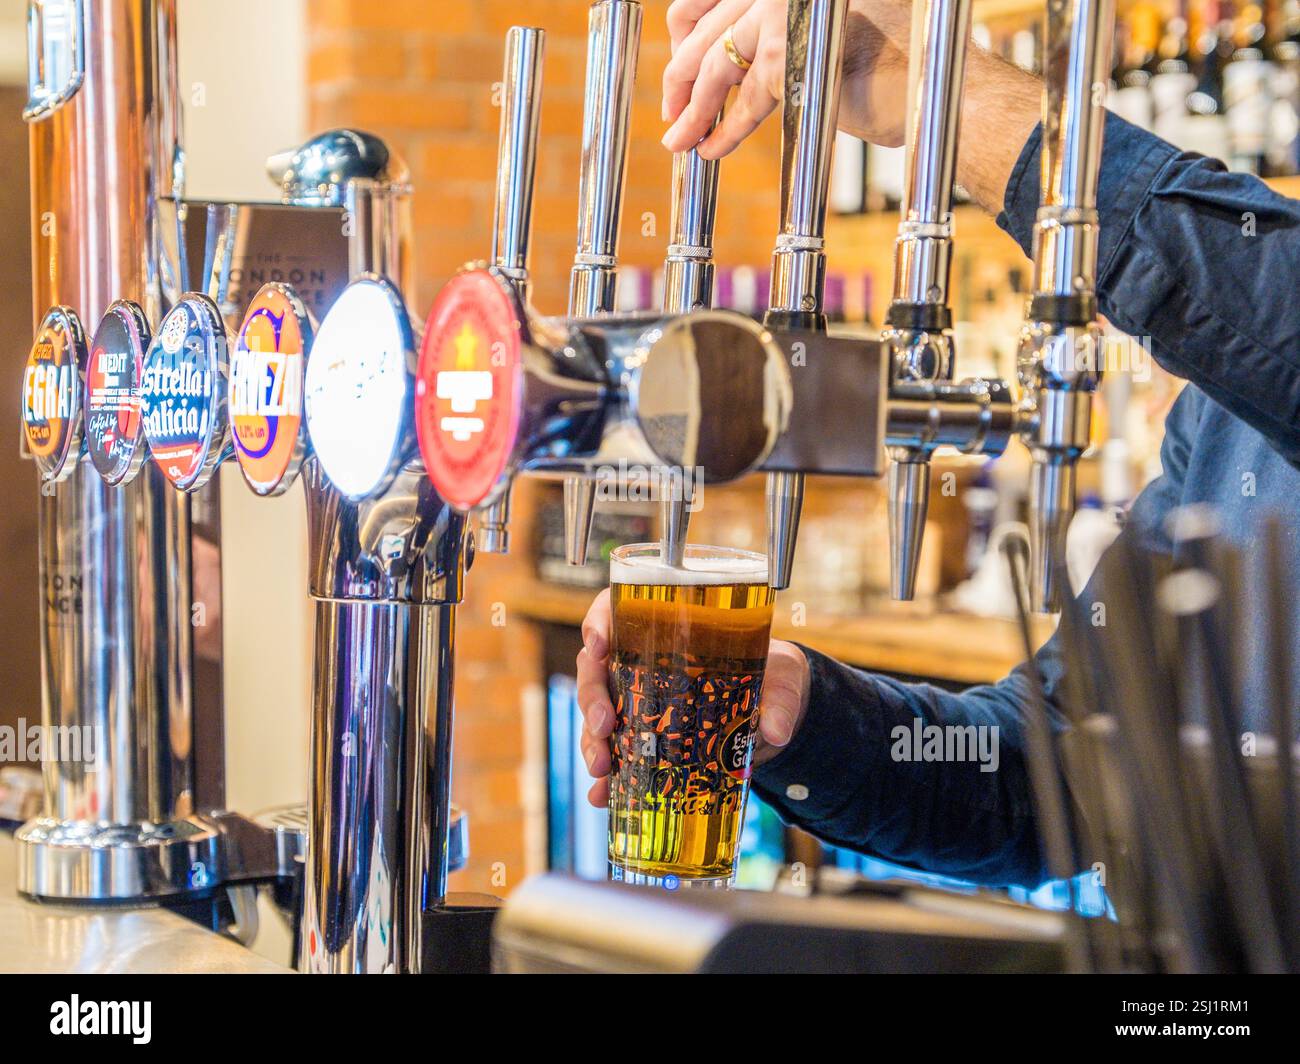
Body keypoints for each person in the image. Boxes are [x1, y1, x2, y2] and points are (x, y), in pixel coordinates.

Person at [575, 0, 1300, 887]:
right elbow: (1059, 767)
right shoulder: (1223, 416)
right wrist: (800, 712)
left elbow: (1270, 312)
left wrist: (942, 88)